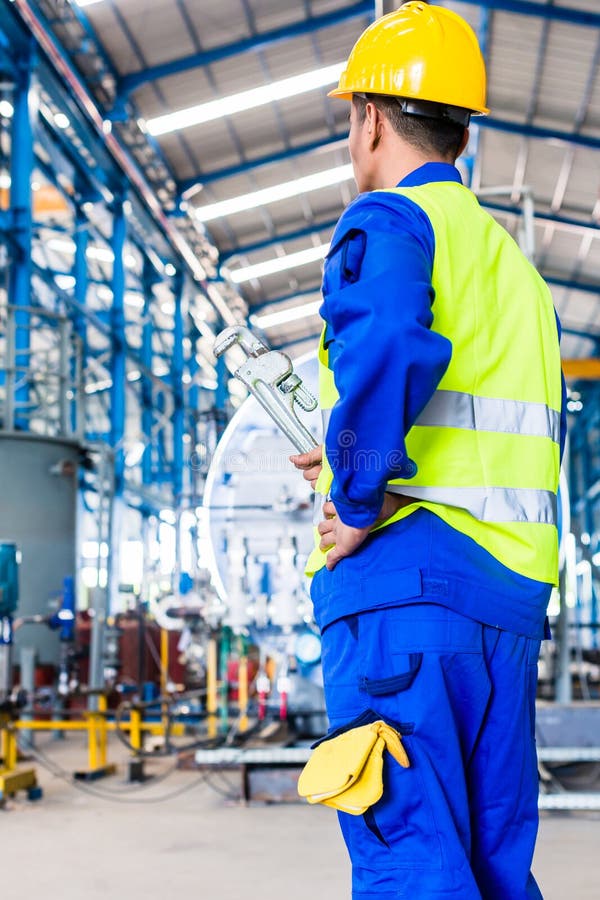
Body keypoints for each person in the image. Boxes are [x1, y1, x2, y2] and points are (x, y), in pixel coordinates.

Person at [290, 3, 566, 898]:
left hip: (408, 596)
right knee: (492, 864)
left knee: (412, 858)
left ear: (370, 116)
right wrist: (344, 451)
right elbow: (468, 419)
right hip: (507, 604)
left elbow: (389, 350)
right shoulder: (512, 267)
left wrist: (357, 501)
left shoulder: (393, 222)